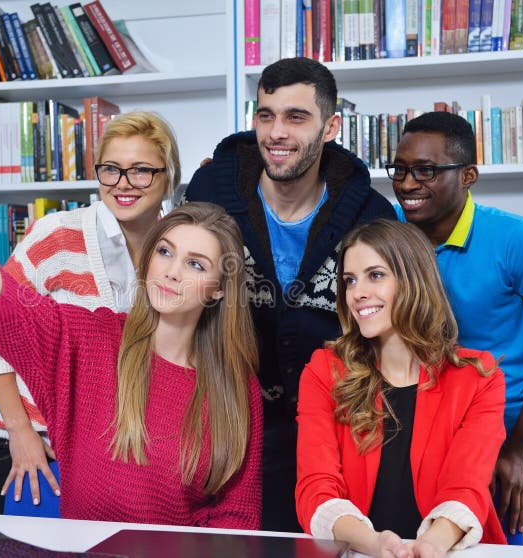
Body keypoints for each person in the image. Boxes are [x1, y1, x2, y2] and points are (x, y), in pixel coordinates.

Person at [0, 123, 263, 527]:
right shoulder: (92, 341)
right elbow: (1, 305)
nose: (172, 272)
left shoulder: (234, 385)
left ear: (217, 290)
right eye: (164, 252)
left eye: (195, 264)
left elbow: (235, 515)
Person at [184, 56, 395, 531]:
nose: (276, 132)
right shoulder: (211, 190)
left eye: (296, 117)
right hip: (230, 424)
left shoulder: (371, 213)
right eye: (265, 115)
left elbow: (389, 328)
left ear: (331, 126)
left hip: (340, 426)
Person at [0, 111, 182, 514]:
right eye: (110, 170)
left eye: (141, 171)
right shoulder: (58, 234)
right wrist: (20, 431)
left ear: (168, 176)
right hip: (29, 435)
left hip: (108, 441)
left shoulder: (180, 246)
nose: (123, 184)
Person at [390, 111, 523, 546]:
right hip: (452, 429)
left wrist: (516, 450)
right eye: (400, 169)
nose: (408, 183)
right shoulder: (393, 233)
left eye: (426, 171)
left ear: (468, 175)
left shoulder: (521, 240)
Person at [296, 219, 507, 558]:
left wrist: (429, 547)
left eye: (375, 275)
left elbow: (466, 486)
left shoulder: (479, 376)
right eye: (350, 280)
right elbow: (316, 488)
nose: (357, 292)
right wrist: (376, 544)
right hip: (360, 552)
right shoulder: (324, 371)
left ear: (414, 280)